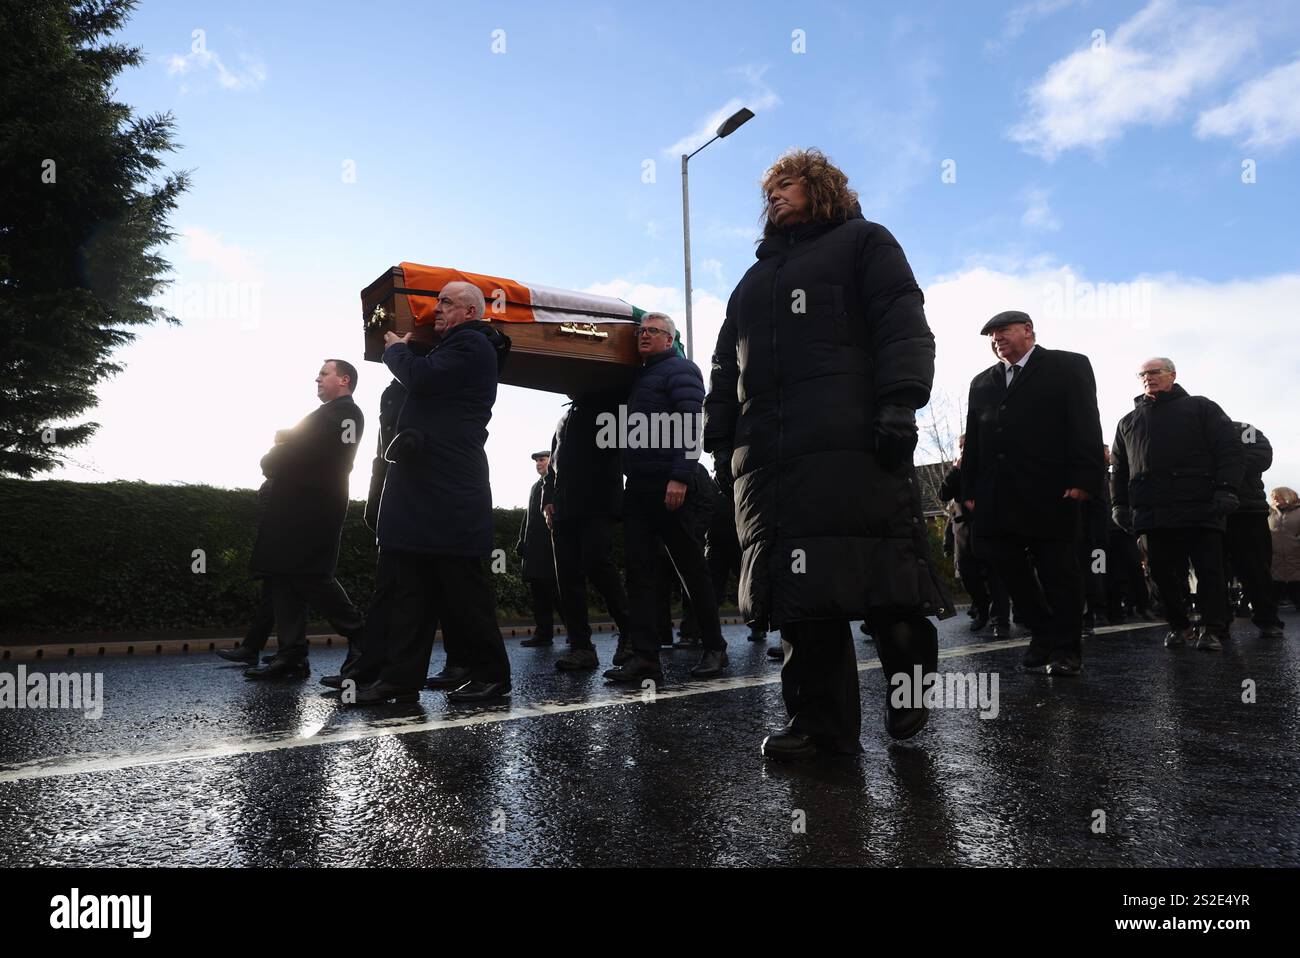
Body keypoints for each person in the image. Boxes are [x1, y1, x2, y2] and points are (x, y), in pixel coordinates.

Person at [703, 148, 953, 761]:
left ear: (821, 188)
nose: (775, 197)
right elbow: (722, 370)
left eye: (787, 185)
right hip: (768, 460)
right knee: (800, 599)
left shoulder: (865, 241)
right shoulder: (752, 280)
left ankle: (910, 689)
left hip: (853, 438)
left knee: (884, 576)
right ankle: (822, 730)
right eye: (770, 191)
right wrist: (722, 445)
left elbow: (902, 320)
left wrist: (900, 402)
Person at [348, 281, 512, 704]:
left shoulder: (474, 346)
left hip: (449, 486)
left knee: (464, 590)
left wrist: (396, 350)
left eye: (446, 303)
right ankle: (400, 678)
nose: (435, 309)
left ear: (471, 312)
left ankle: (491, 675)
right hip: (426, 484)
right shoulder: (448, 347)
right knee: (412, 592)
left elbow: (420, 377)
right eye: (435, 301)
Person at [962, 311, 1104, 676]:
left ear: (1027, 330)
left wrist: (1085, 477)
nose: (997, 340)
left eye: (1003, 331)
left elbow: (1086, 422)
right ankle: (1042, 630)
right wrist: (969, 488)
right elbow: (974, 440)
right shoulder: (982, 383)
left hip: (1052, 489)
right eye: (991, 336)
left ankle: (1066, 650)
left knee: (1059, 571)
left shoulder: (1067, 366)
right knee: (996, 557)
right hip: (996, 493)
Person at [605, 312, 728, 683]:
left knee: (691, 569)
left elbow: (693, 422)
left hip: (671, 486)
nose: (644, 335)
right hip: (639, 487)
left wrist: (680, 476)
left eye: (653, 331)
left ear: (670, 338)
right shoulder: (641, 376)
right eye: (641, 330)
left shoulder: (681, 370)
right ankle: (645, 656)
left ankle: (714, 647)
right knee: (640, 573)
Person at [244, 360, 366, 679]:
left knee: (312, 576)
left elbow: (309, 453)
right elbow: (299, 451)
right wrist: (285, 450)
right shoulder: (325, 415)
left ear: (344, 380)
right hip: (294, 509)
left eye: (324, 373)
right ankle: (292, 655)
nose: (317, 378)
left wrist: (279, 451)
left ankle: (363, 639)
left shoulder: (347, 413)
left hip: (314, 510)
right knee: (283, 576)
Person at [1111, 357, 1243, 651]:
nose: (1148, 377)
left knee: (1209, 571)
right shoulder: (1127, 422)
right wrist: (1119, 504)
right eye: (1142, 374)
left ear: (1172, 375)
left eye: (1154, 372)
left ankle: (1212, 628)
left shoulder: (1201, 407)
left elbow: (1229, 449)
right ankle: (1179, 625)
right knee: (1161, 573)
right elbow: (1119, 469)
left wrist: (1226, 488)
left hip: (1201, 505)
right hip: (1151, 510)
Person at [543, 390, 633, 671]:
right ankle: (581, 647)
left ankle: (631, 633)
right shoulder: (563, 419)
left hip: (597, 503)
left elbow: (620, 449)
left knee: (597, 563)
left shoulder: (611, 405)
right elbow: (553, 470)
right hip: (564, 508)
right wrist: (547, 499)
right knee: (567, 577)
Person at [939, 434, 1010, 638]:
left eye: (966, 446)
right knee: (967, 573)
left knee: (995, 574)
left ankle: (1000, 621)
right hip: (963, 531)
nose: (962, 450)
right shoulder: (956, 469)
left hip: (988, 525)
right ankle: (982, 607)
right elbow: (943, 494)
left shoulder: (989, 465)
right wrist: (955, 470)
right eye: (960, 447)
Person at [1224, 423, 1284, 637]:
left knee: (1256, 569)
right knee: (1212, 571)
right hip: (1211, 511)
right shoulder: (1195, 432)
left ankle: (1267, 618)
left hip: (1247, 510)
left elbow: (1262, 456)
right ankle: (1216, 622)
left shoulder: (1242, 429)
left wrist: (1223, 465)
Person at [518, 450, 565, 647]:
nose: (538, 463)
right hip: (535, 549)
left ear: (551, 461)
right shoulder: (535, 486)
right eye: (536, 461)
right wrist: (521, 540)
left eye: (542, 459)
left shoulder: (557, 483)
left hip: (552, 548)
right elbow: (528, 517)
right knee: (539, 594)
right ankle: (543, 634)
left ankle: (577, 633)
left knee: (559, 593)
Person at [1269, 487, 1300, 611]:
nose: (1275, 499)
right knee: (1276, 580)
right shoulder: (1270, 512)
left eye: (1278, 496)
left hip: (1296, 553)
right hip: (1276, 555)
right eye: (1273, 496)